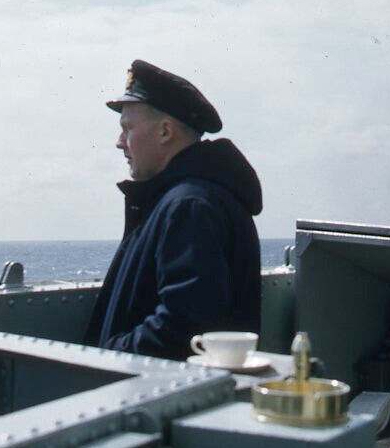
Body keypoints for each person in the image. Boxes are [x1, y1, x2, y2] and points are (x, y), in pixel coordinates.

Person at [84, 59, 262, 360]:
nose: (119, 143)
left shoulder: (189, 207)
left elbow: (185, 327)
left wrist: (107, 356)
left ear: (166, 131)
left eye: (127, 129)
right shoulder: (189, 200)